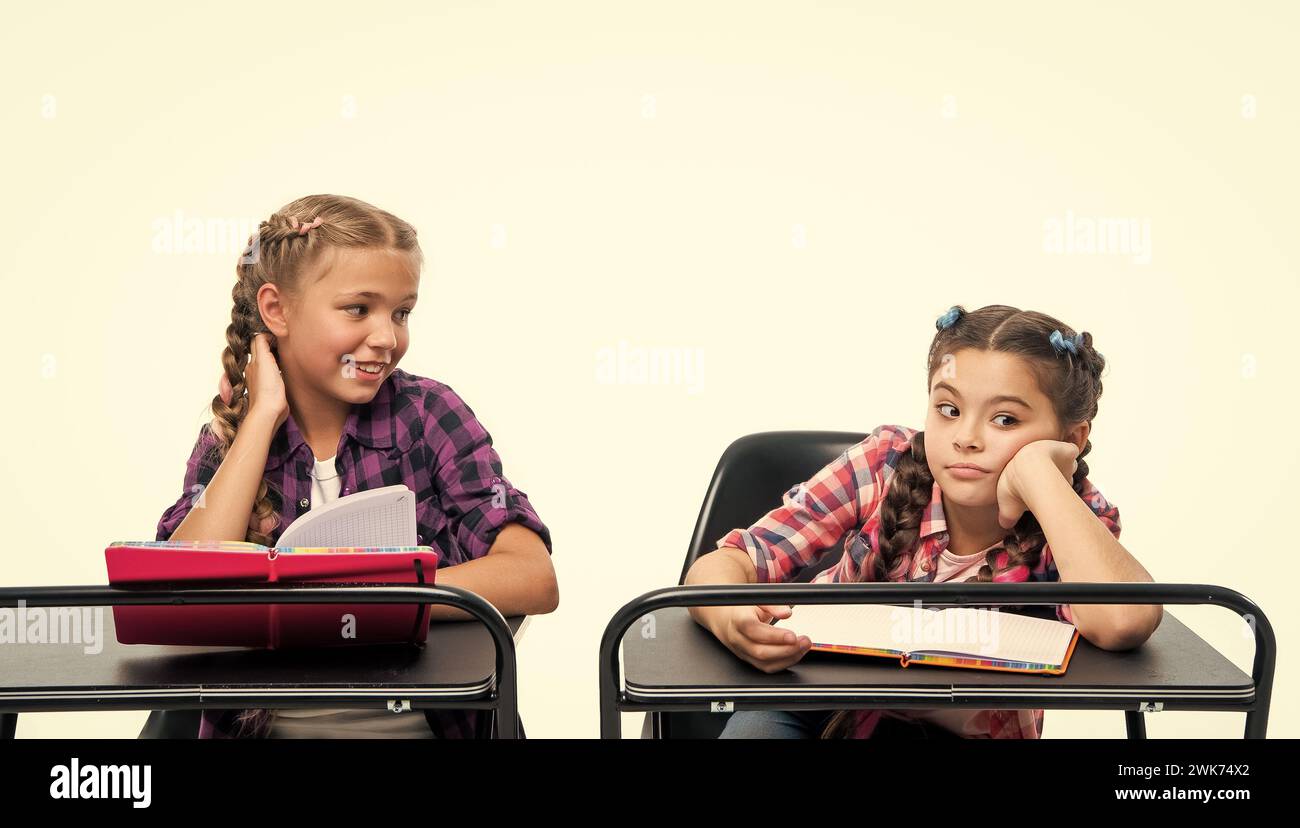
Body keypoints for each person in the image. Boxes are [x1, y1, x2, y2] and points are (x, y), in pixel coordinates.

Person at [149, 194, 556, 738]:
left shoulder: (430, 416)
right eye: (358, 309)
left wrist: (365, 600)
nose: (387, 338)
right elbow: (180, 600)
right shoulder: (232, 437)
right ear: (277, 311)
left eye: (401, 312)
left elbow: (533, 577)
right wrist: (262, 416)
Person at [686, 304, 1161, 739]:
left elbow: (1124, 621)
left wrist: (1041, 476)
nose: (967, 438)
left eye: (1005, 420)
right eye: (949, 410)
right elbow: (730, 562)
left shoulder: (1072, 512)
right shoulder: (883, 463)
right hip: (818, 711)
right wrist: (728, 618)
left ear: (1071, 437)